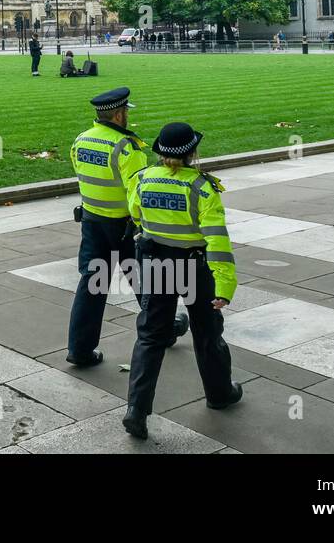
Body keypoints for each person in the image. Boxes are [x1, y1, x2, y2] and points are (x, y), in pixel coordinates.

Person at [122, 121, 243, 439]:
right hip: (195, 267)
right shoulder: (202, 187)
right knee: (207, 333)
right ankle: (219, 395)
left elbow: (135, 213)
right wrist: (224, 286)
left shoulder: (144, 178)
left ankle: (136, 410)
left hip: (157, 264)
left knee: (150, 336)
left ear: (160, 152)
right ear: (192, 153)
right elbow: (217, 240)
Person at [66, 87, 187, 368]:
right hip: (124, 226)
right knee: (144, 281)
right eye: (127, 112)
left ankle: (80, 349)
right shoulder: (127, 147)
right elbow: (137, 194)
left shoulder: (81, 140)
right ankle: (164, 330)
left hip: (92, 222)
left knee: (92, 284)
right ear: (119, 115)